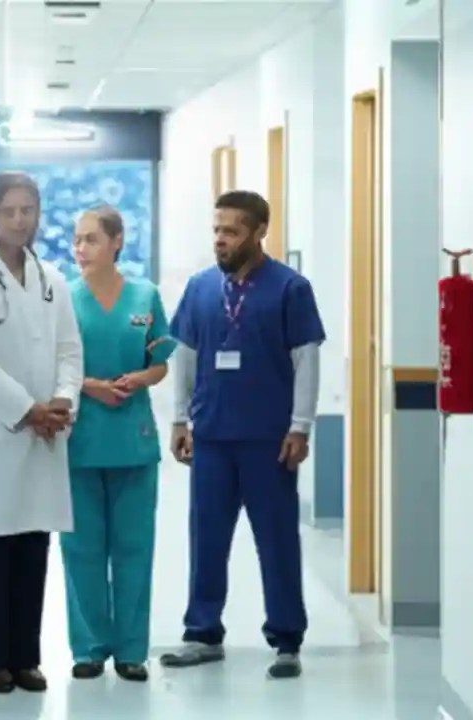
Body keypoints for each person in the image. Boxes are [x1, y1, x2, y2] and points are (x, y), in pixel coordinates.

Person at [159, 190, 325, 680]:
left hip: (268, 440)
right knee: (206, 538)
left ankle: (286, 638)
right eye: (216, 230)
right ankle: (202, 632)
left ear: (258, 232)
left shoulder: (290, 288)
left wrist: (301, 426)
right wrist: (178, 420)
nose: (221, 239)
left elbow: (306, 360)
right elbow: (184, 354)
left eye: (231, 231)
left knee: (275, 542)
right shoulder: (201, 287)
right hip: (212, 436)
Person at [0, 171, 83, 694]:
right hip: (1, 430)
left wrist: (64, 399)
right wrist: (29, 410)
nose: (19, 220)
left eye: (28, 210)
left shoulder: (52, 278)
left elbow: (70, 350)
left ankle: (27, 656)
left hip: (49, 428)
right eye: (9, 211)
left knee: (33, 544)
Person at [62, 206, 176, 683]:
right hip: (80, 438)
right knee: (82, 548)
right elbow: (55, 363)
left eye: (90, 239)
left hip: (133, 438)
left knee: (133, 546)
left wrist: (140, 378)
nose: (80, 249)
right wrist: (90, 385)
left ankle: (131, 650)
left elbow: (162, 361)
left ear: (116, 242)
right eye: (76, 240)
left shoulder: (144, 296)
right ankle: (89, 648)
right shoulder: (64, 299)